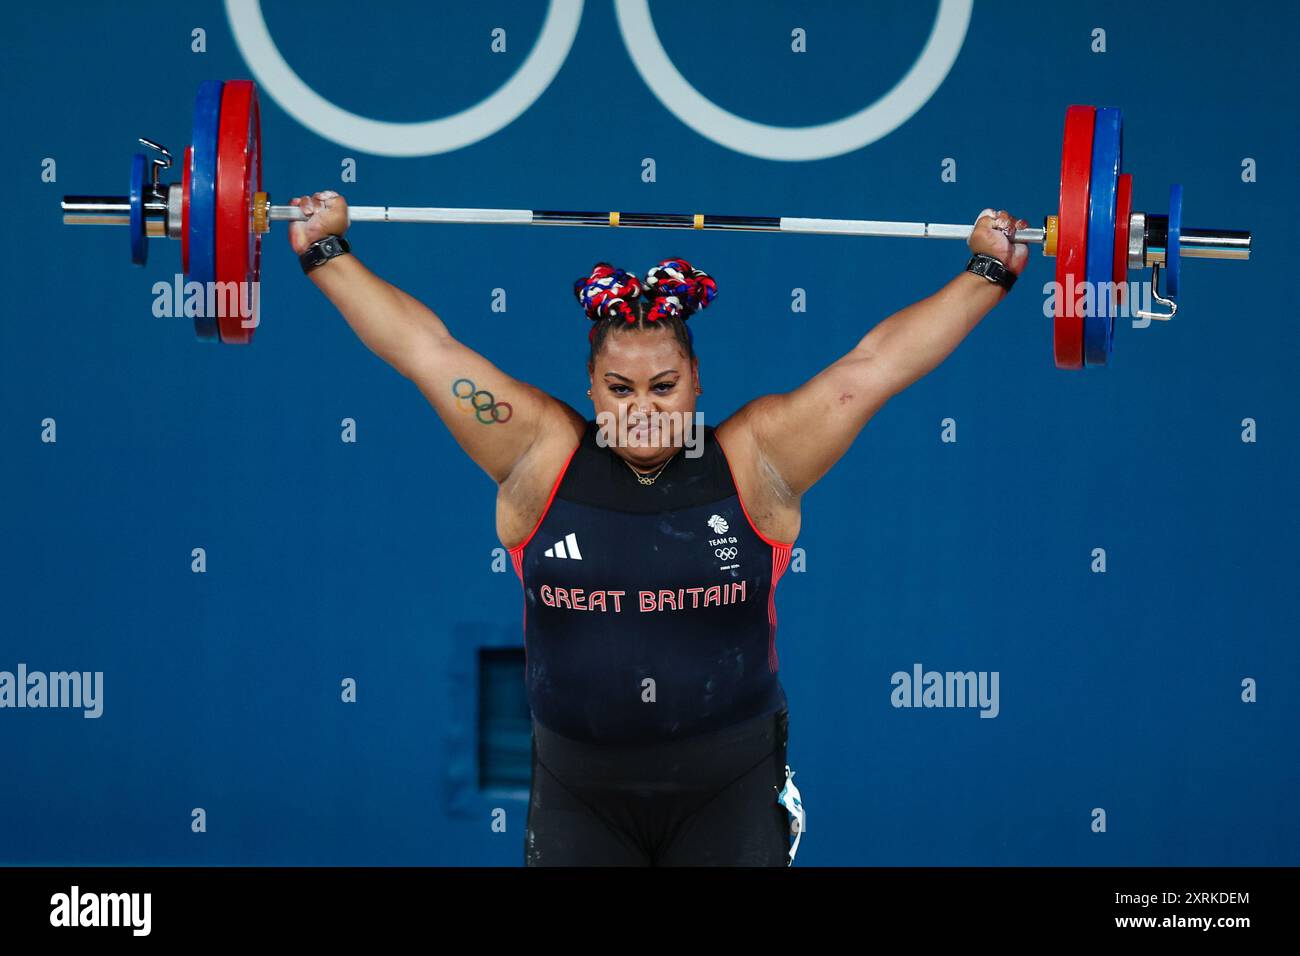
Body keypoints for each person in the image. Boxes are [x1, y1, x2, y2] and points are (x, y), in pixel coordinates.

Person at [287, 191, 1029, 866]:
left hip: (729, 789)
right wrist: (326, 252)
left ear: (698, 381)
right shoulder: (536, 455)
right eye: (619, 388)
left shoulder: (758, 460)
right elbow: (427, 353)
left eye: (664, 386)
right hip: (579, 794)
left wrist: (987, 272)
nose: (642, 407)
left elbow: (875, 368)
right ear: (590, 389)